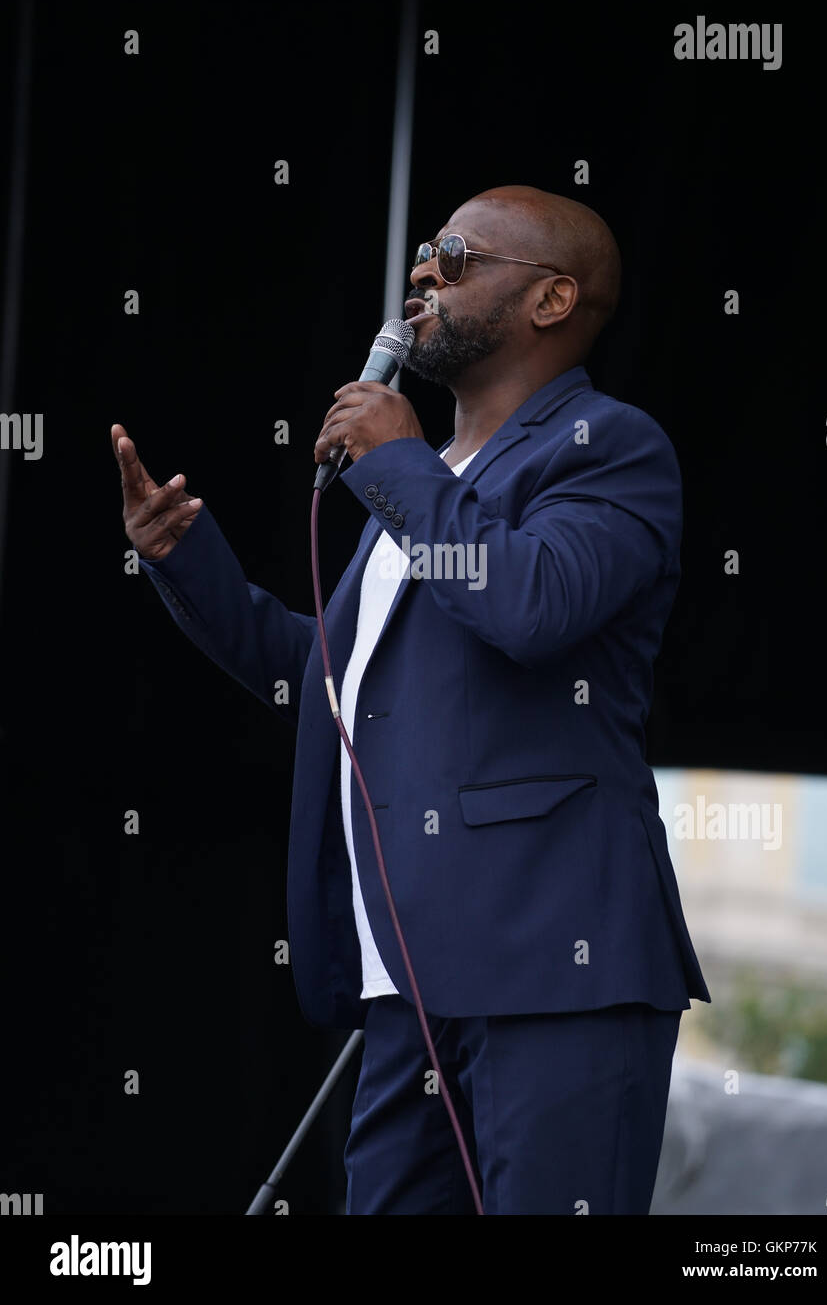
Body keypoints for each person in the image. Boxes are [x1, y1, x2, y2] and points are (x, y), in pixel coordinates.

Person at [113, 184, 710, 1216]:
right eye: (424, 255)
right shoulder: (428, 479)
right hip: (409, 988)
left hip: (555, 967)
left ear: (553, 298)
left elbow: (531, 605)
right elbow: (325, 680)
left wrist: (395, 467)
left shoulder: (608, 448)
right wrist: (188, 564)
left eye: (457, 256)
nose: (424, 274)